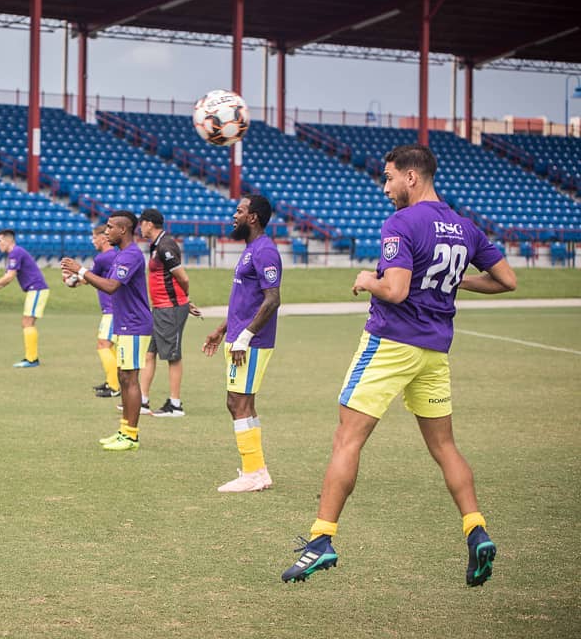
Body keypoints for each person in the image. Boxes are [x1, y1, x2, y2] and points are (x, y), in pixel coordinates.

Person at [281, 144, 517, 587]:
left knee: (346, 438)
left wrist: (366, 279)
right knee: (445, 447)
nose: (385, 187)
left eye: (389, 177)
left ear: (412, 176)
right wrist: (453, 278)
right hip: (435, 351)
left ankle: (321, 540)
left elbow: (395, 290)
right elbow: (508, 280)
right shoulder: (466, 227)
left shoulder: (402, 223)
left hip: (391, 344)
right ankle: (476, 529)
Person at [203, 195, 282, 492]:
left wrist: (245, 337)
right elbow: (246, 301)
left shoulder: (265, 251)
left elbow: (273, 299)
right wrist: (222, 329)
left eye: (239, 210)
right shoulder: (251, 249)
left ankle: (252, 472)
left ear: (253, 217)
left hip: (251, 341)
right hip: (238, 337)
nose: (234, 215)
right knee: (241, 402)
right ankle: (257, 470)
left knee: (237, 402)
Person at [61, 211, 152, 451]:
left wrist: (80, 271)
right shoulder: (121, 255)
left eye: (110, 227)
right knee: (124, 377)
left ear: (123, 230)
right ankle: (124, 431)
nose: (106, 231)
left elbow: (111, 286)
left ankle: (131, 436)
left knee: (130, 378)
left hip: (135, 324)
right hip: (126, 323)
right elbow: (103, 282)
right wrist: (80, 277)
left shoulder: (131, 255)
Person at [136, 208, 200, 417]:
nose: (139, 228)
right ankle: (142, 401)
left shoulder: (165, 246)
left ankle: (175, 405)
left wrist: (184, 299)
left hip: (170, 308)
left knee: (172, 355)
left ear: (149, 224)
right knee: (149, 352)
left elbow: (184, 278)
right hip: (161, 307)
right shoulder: (156, 246)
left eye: (141, 223)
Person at [0, 229, 49, 368]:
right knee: (27, 322)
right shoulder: (15, 253)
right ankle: (31, 358)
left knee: (27, 322)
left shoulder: (16, 252)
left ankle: (32, 360)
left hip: (37, 289)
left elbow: (8, 277)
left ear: (8, 241)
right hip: (35, 290)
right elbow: (6, 281)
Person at [89, 225, 120, 397]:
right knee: (110, 345)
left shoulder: (103, 258)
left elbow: (89, 278)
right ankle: (112, 381)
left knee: (103, 345)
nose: (93, 241)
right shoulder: (114, 256)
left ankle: (115, 386)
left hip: (111, 309)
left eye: (94, 237)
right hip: (115, 308)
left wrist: (72, 278)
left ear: (102, 238)